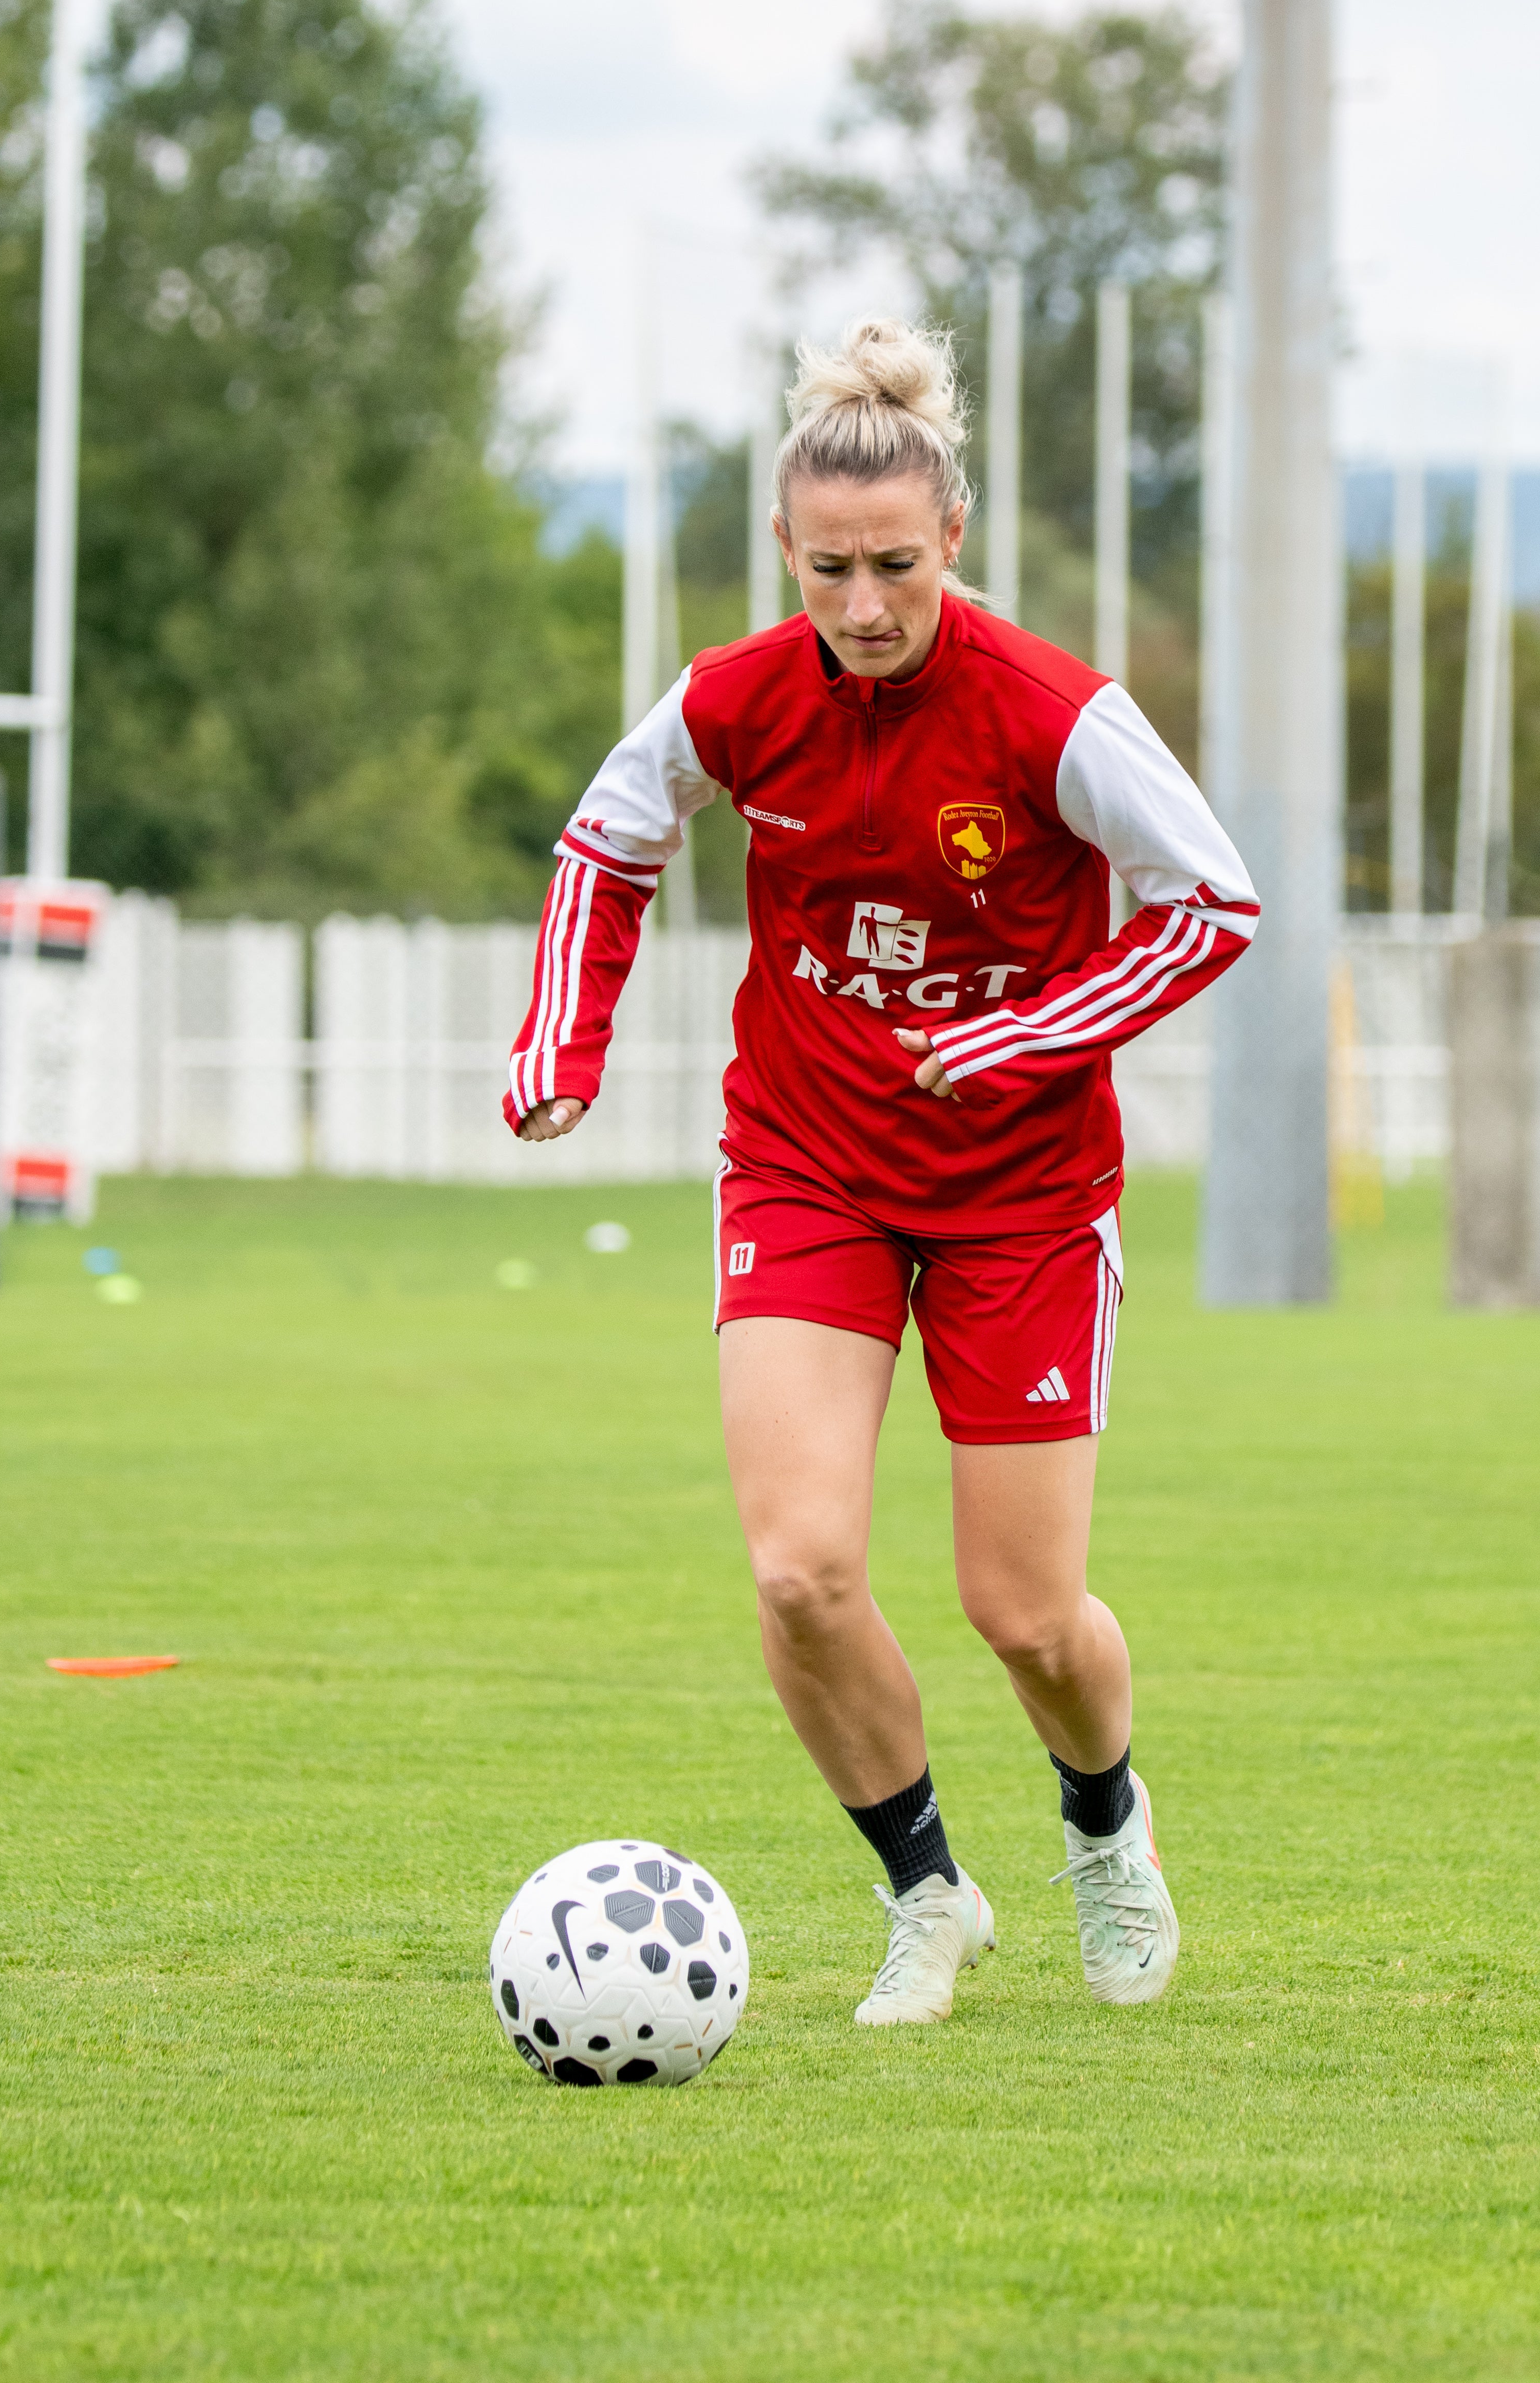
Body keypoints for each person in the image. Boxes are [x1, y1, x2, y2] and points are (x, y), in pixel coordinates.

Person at [505, 317, 1258, 2026]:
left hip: (1023, 1199)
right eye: (832, 568)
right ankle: (927, 1892)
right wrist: (563, 1044)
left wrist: (1014, 1042)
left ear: (956, 545)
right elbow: (606, 841)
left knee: (1027, 1612)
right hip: (808, 1166)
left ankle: (1103, 1825)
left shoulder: (1052, 714)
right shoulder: (736, 700)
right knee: (800, 1569)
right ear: (786, 548)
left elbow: (1217, 901)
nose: (864, 606)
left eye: (897, 568)